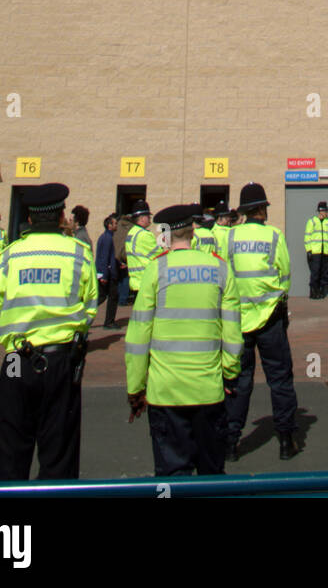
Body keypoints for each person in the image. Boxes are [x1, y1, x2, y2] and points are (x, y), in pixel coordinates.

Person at [125, 203, 243, 477]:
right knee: (211, 474)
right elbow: (233, 334)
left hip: (165, 393)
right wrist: (229, 374)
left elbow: (138, 336)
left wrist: (136, 388)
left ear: (165, 235)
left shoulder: (155, 271)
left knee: (170, 478)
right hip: (208, 390)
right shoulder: (219, 268)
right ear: (192, 231)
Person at [0, 182, 97, 480]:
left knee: (11, 444)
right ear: (61, 215)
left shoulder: (11, 256)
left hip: (15, 361)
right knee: (59, 448)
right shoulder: (78, 253)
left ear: (31, 217)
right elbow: (89, 308)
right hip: (62, 359)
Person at [224, 182, 299, 460]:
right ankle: (285, 440)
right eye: (264, 207)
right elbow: (286, 274)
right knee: (279, 379)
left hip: (238, 321)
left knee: (238, 381)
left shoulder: (229, 238)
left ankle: (231, 442)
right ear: (258, 209)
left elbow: (225, 275)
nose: (266, 212)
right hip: (270, 318)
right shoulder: (274, 236)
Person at [125, 200, 160, 308]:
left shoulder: (131, 233)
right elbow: (159, 255)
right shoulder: (144, 235)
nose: (150, 219)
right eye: (148, 216)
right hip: (146, 281)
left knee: (140, 317)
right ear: (142, 218)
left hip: (135, 282)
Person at [304, 200, 328, 299]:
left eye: (327, 211)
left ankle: (322, 291)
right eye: (325, 211)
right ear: (320, 211)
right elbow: (307, 237)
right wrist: (308, 250)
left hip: (326, 251)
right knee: (315, 272)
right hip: (315, 252)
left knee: (325, 272)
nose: (327, 213)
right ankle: (313, 292)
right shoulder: (312, 221)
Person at [96, 213, 121, 329]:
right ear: (109, 225)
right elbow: (105, 257)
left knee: (103, 296)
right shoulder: (107, 238)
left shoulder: (106, 237)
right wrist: (105, 276)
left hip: (107, 272)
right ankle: (109, 322)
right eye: (115, 223)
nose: (117, 225)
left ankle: (109, 321)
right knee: (110, 296)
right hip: (108, 274)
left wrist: (118, 264)